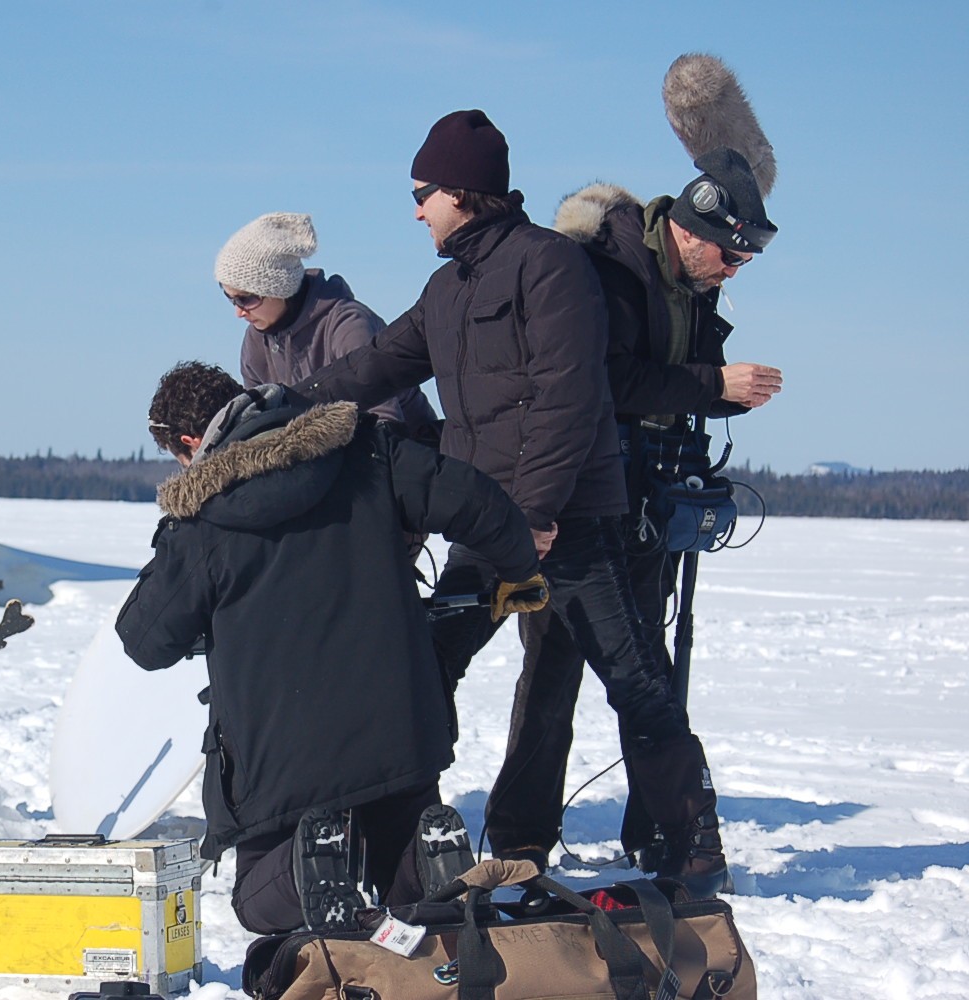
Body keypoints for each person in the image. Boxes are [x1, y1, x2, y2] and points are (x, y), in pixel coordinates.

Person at [293, 109, 732, 896]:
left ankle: (691, 846)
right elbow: (381, 364)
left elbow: (571, 398)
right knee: (424, 664)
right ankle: (407, 836)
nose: (416, 208)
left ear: (460, 192)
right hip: (485, 521)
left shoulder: (551, 266)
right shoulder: (448, 285)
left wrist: (533, 512)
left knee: (634, 680)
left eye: (422, 192)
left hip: (568, 525)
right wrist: (288, 404)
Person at [116, 362, 544, 934]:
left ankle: (302, 868)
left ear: (191, 444)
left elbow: (144, 640)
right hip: (400, 729)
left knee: (254, 895)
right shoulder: (366, 449)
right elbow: (478, 502)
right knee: (404, 864)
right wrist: (518, 571)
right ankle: (427, 861)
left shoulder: (204, 523)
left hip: (282, 762)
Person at [488, 148, 780, 874]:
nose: (734, 269)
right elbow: (607, 379)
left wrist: (716, 393)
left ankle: (654, 828)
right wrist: (714, 381)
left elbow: (663, 383)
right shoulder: (609, 271)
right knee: (556, 663)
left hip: (649, 495)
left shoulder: (687, 281)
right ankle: (522, 838)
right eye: (730, 252)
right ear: (688, 228)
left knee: (648, 662)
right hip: (584, 497)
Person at [215, 211, 438, 441]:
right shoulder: (255, 342)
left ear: (279, 289)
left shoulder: (348, 325)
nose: (239, 312)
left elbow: (384, 423)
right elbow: (259, 428)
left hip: (409, 455)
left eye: (246, 298)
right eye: (230, 298)